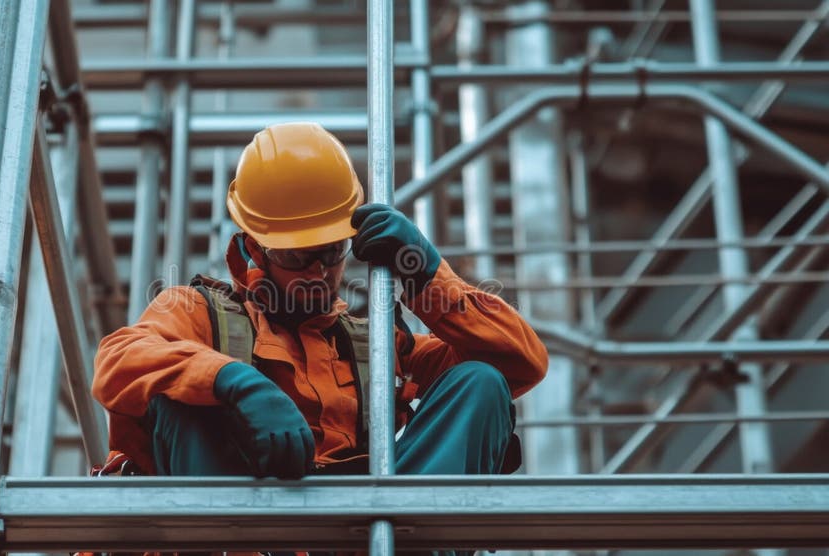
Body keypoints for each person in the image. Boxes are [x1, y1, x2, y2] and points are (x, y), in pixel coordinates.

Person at [91, 121, 547, 483]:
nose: (317, 272)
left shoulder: (376, 347)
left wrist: (427, 275)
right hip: (243, 527)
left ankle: (418, 536)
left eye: (331, 253)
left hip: (357, 533)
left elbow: (517, 364)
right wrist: (231, 381)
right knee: (177, 396)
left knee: (478, 381)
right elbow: (119, 360)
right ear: (255, 248)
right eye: (295, 255)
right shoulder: (197, 312)